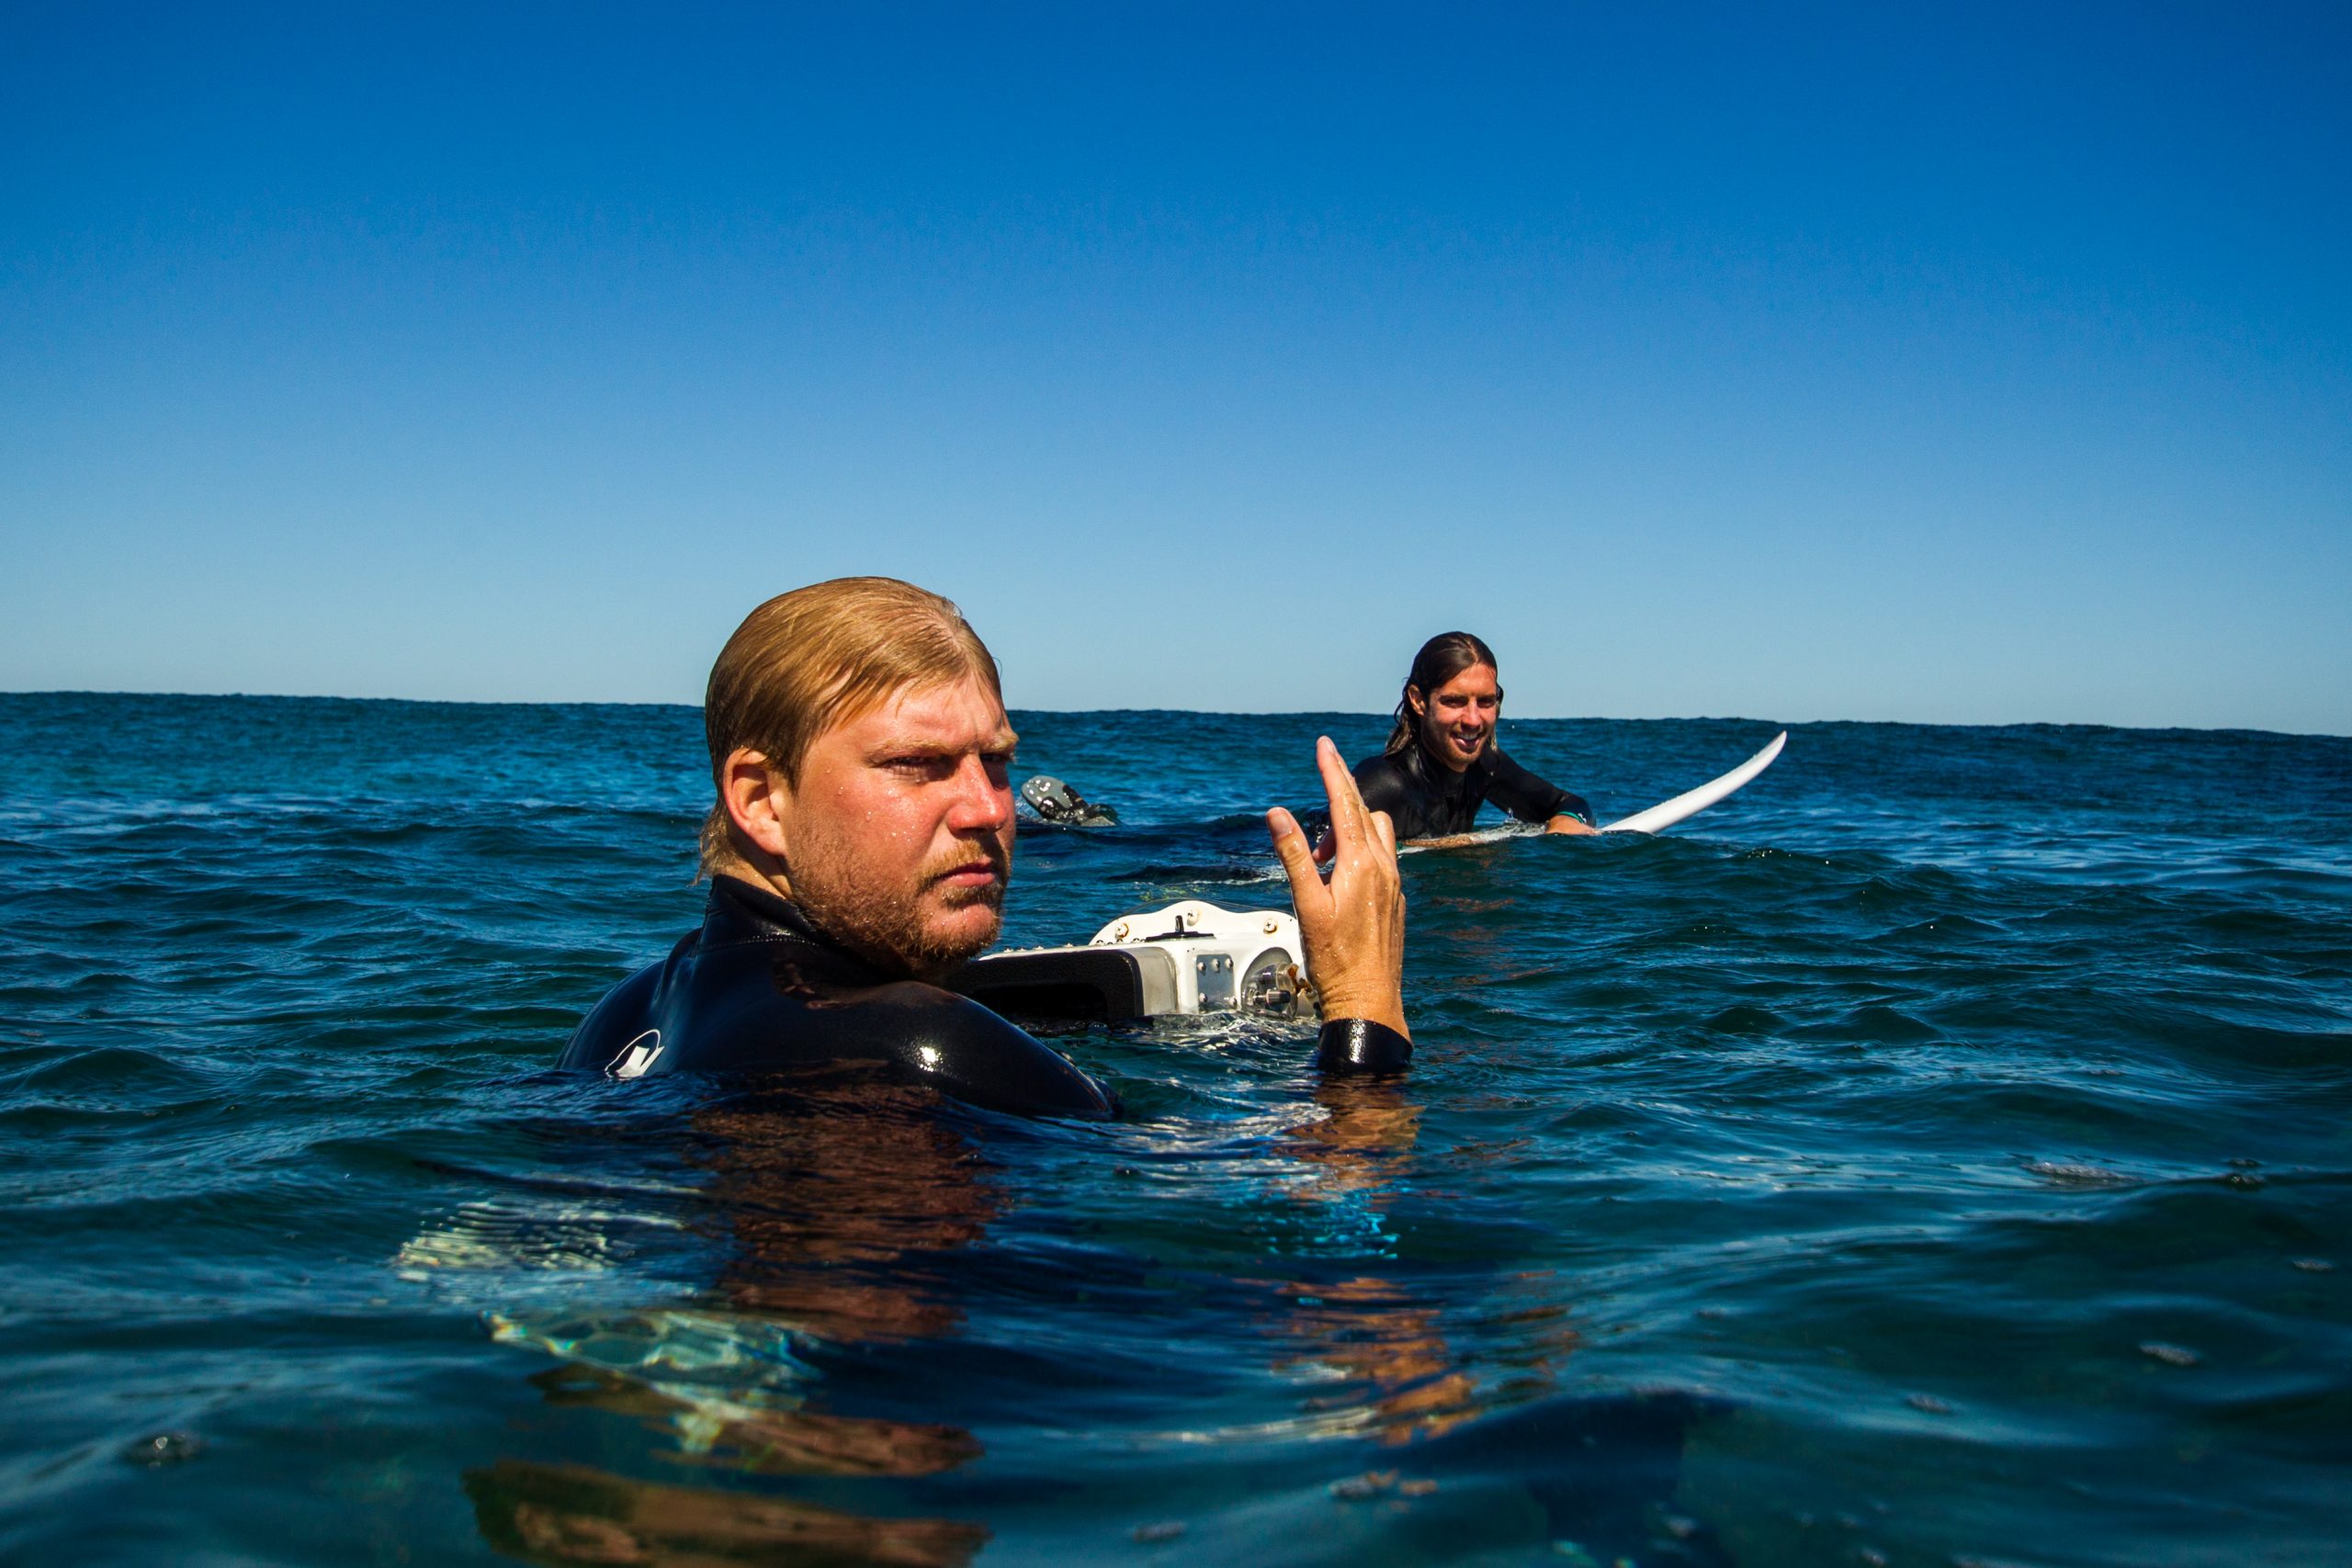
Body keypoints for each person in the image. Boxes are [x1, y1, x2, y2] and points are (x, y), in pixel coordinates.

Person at [560, 577, 1410, 1117]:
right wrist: (1366, 1013)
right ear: (760, 799)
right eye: (917, 764)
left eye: (996, 760)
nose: (987, 809)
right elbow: (1308, 1304)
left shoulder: (624, 1018)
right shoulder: (928, 1050)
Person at [1348, 632, 1596, 844]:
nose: (1474, 720)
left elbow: (1569, 803)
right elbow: (1319, 855)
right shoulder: (1385, 783)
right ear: (1418, 701)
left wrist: (1567, 821)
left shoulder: (1482, 769)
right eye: (1454, 702)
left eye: (1486, 701)